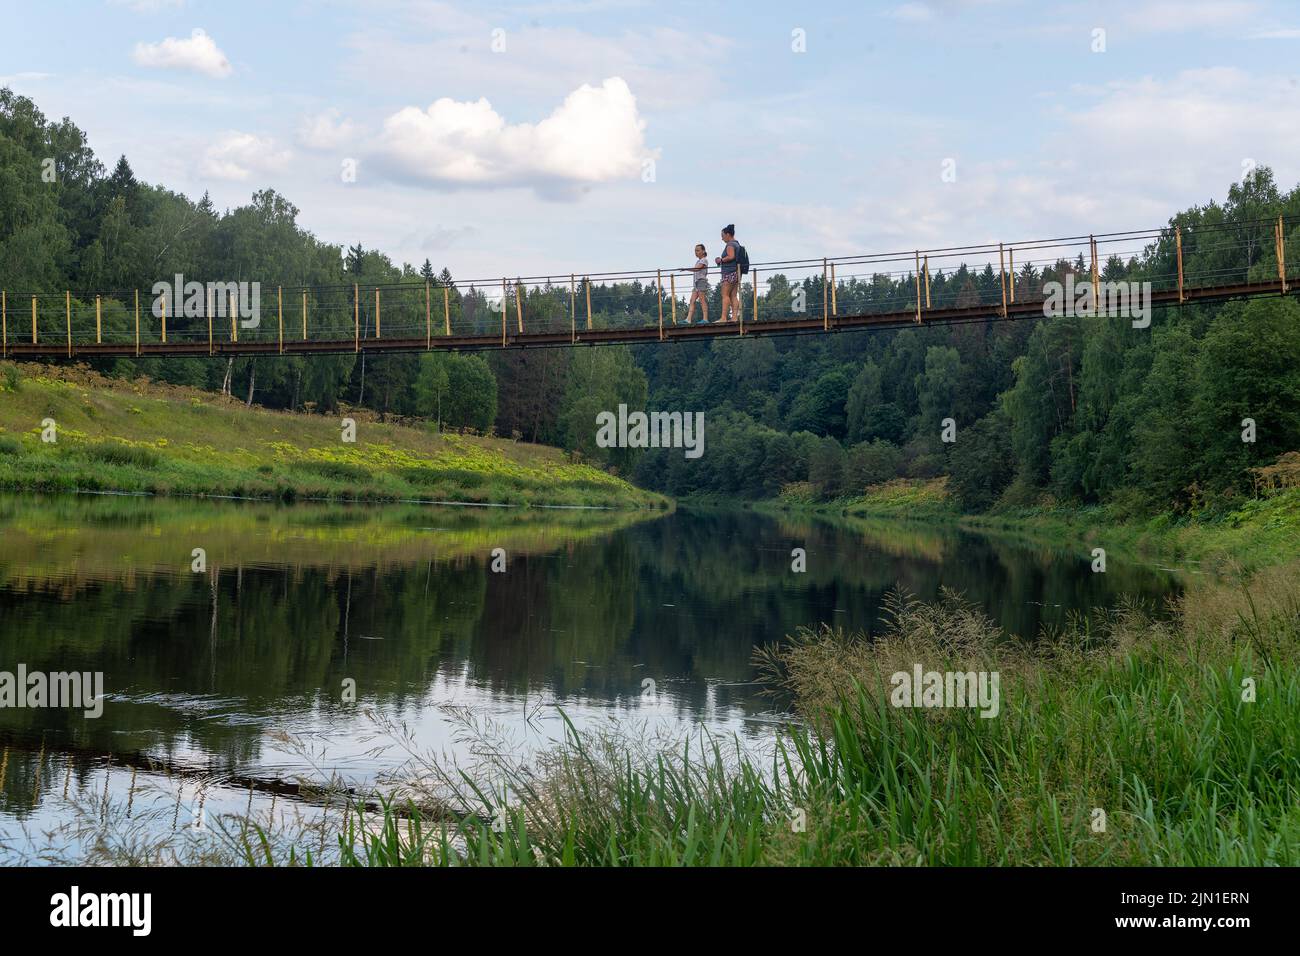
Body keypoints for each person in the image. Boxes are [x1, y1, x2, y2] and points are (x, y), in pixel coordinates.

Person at [715, 224, 741, 323]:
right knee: (733, 296)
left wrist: (720, 260)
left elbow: (731, 256)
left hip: (728, 273)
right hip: (736, 272)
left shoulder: (730, 244)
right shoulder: (737, 243)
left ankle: (723, 318)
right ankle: (734, 317)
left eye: (723, 235)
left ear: (728, 234)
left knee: (725, 295)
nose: (722, 238)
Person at [684, 243, 710, 324]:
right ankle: (688, 319)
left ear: (703, 251)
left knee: (702, 300)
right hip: (696, 283)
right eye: (695, 251)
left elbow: (697, 269)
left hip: (701, 281)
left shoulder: (704, 260)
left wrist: (685, 269)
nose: (696, 252)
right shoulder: (698, 261)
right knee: (692, 300)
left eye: (698, 250)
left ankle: (705, 319)